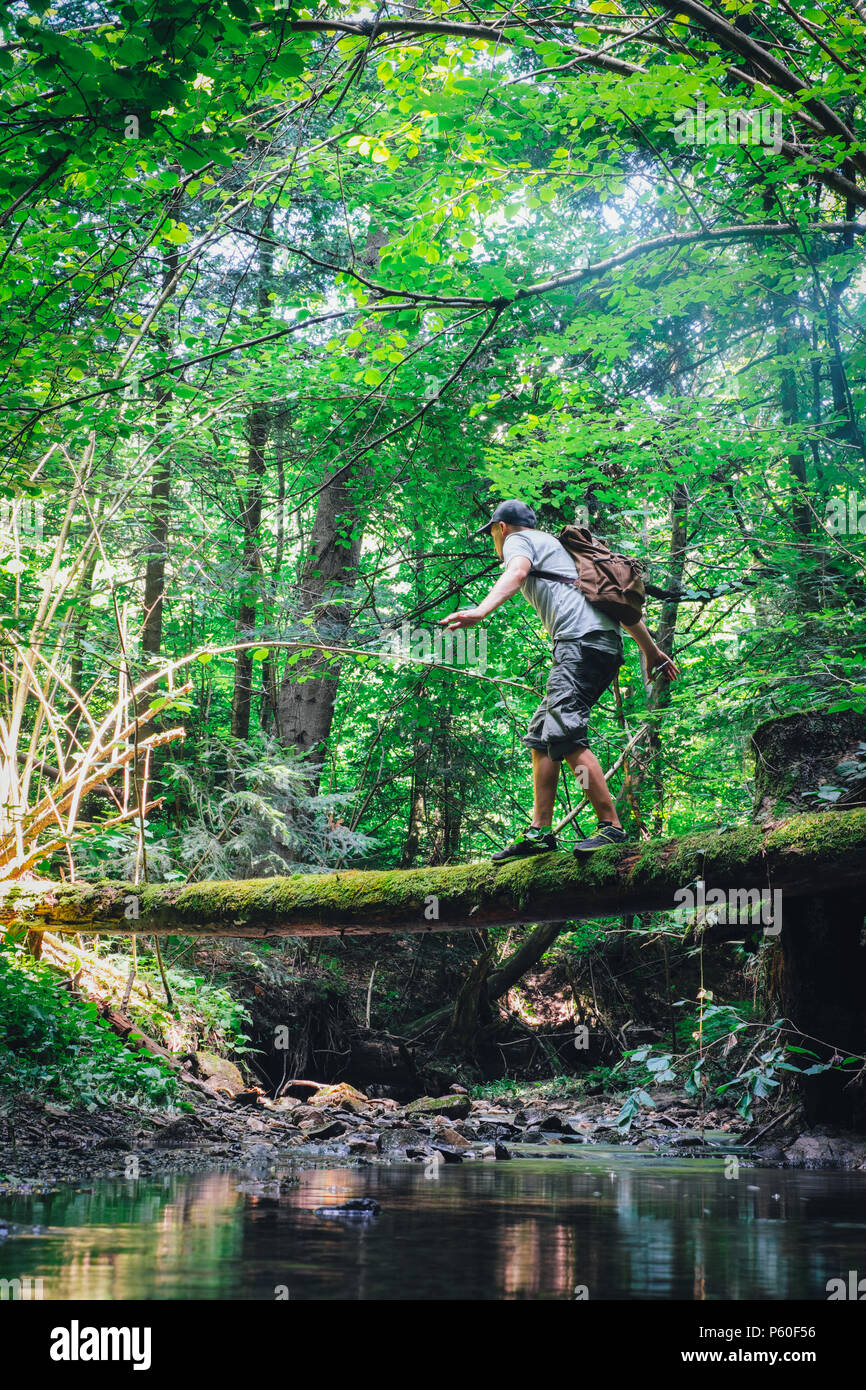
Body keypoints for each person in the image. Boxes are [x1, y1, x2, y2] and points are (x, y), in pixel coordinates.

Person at [439, 499, 678, 858]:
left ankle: (610, 826)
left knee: (564, 734)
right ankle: (540, 832)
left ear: (500, 528)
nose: (493, 540)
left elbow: (516, 572)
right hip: (599, 647)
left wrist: (481, 610)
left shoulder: (520, 541)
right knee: (542, 736)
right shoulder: (561, 552)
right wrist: (651, 652)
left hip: (579, 646)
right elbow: (612, 604)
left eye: (491, 533)